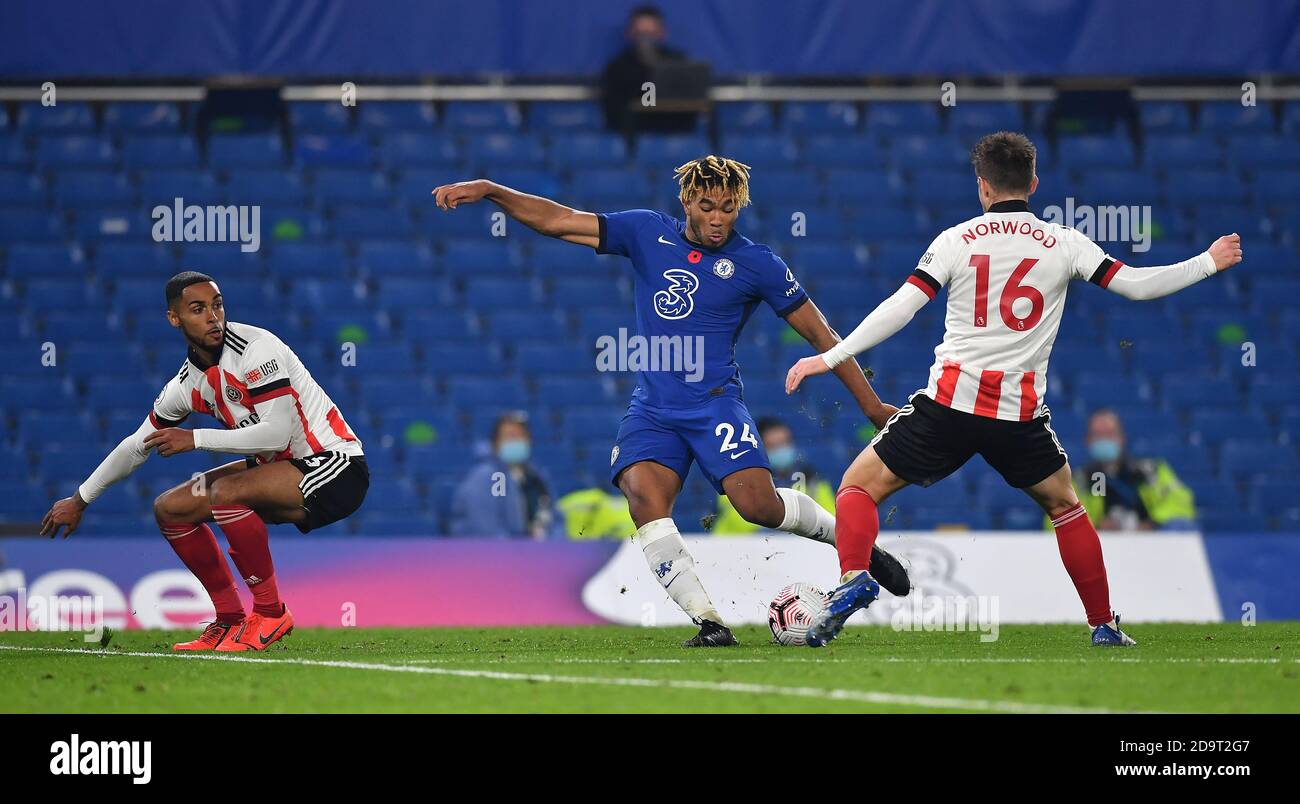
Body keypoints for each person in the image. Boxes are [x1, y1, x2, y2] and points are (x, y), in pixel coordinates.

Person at [786, 131, 1242, 648]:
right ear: (1034, 183)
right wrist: (1207, 261)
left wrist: (831, 356)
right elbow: (1136, 286)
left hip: (949, 407)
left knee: (857, 487)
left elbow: (902, 307)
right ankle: (1103, 625)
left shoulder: (955, 240)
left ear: (983, 187)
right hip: (1017, 416)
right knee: (1067, 507)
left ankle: (853, 579)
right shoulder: (1065, 243)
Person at [433, 155, 910, 647]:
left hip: (715, 404)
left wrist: (872, 407)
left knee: (757, 507)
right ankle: (711, 623)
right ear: (687, 202)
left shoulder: (757, 263)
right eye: (707, 206)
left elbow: (823, 335)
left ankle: (855, 545)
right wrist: (491, 189)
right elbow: (558, 221)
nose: (718, 218)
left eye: (729, 207)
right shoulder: (645, 232)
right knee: (643, 497)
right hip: (654, 409)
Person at [40, 271, 369, 651]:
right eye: (198, 309)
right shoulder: (186, 385)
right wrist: (80, 500)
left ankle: (271, 613)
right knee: (171, 508)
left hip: (334, 465)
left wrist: (194, 439)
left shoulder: (256, 350)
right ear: (174, 318)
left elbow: (276, 434)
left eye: (217, 305)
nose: (213, 317)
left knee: (226, 493)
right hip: (280, 468)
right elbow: (137, 445)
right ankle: (229, 620)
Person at [1073, 408, 1197, 530]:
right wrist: (1098, 526)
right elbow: (1067, 517)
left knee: (1180, 525)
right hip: (1099, 542)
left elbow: (1180, 502)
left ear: (1122, 438)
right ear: (1087, 441)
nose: (1104, 440)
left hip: (1152, 541)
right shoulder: (1079, 480)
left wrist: (1152, 524)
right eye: (1097, 435)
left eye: (1110, 434)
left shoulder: (1149, 471)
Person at [712, 417, 836, 535]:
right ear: (759, 449)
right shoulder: (736, 481)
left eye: (785, 443)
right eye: (774, 446)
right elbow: (740, 525)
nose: (782, 450)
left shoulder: (812, 480)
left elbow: (831, 520)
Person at [449, 412, 562, 539]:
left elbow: (554, 518)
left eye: (521, 436)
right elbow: (488, 529)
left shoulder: (536, 477)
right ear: (495, 444)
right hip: (495, 554)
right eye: (510, 436)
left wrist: (551, 544)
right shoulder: (493, 477)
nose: (516, 441)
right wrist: (521, 552)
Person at [599, 5, 698, 136]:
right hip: (632, 134)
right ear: (629, 34)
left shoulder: (678, 63)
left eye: (651, 34)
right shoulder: (617, 67)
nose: (646, 40)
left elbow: (691, 105)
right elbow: (613, 111)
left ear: (662, 33)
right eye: (641, 34)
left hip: (676, 130)